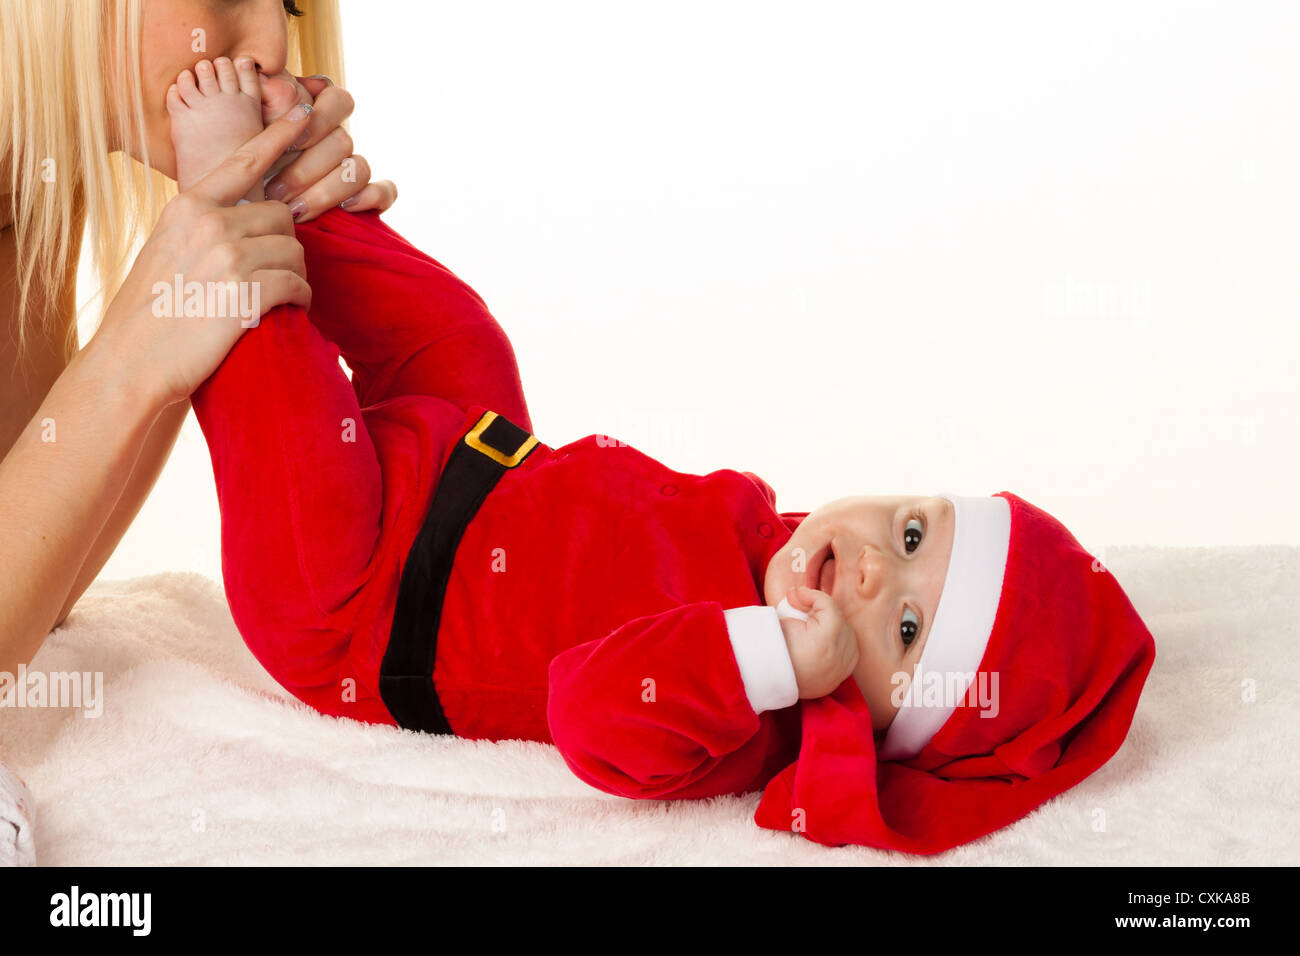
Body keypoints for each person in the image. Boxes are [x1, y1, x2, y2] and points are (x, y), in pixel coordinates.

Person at [178, 55, 1158, 854]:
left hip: (359, 600)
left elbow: (587, 710)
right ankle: (301, 201)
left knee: (283, 394)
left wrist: (772, 659)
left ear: (871, 723)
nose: (866, 565)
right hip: (474, 462)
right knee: (466, 340)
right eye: (908, 531)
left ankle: (227, 206)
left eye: (904, 628)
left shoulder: (740, 716)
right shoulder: (771, 540)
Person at [0, 0, 392, 866]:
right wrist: (141, 345)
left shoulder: (27, 192)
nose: (268, 48)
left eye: (287, 4)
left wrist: (224, 246)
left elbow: (29, 604)